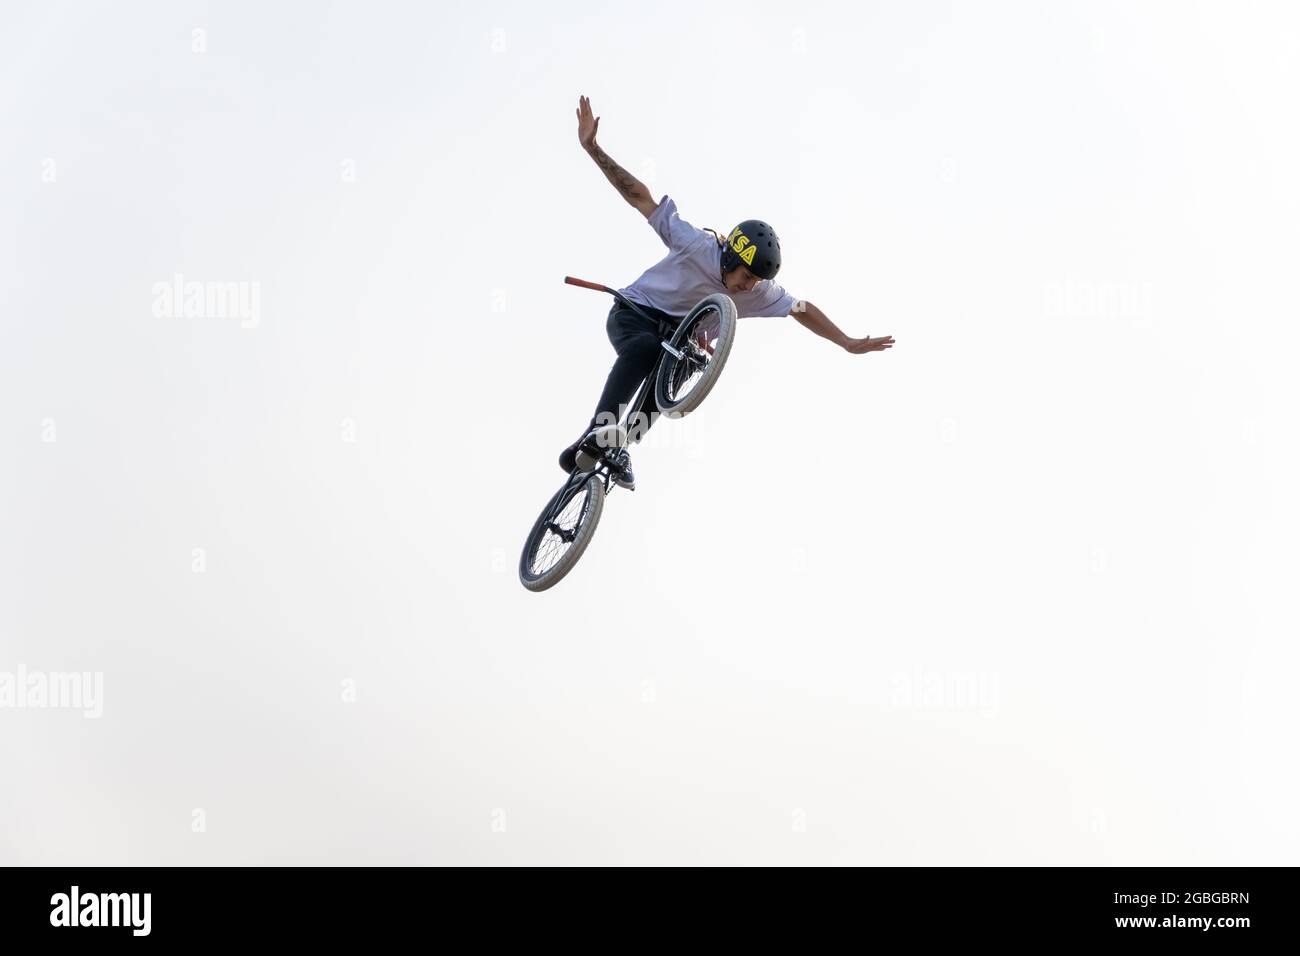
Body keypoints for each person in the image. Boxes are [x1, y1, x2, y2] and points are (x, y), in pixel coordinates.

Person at [560, 95, 895, 490]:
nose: (747, 287)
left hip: (675, 339)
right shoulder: (694, 244)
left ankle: (621, 446)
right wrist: (593, 149)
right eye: (745, 276)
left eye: (755, 281)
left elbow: (800, 308)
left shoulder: (758, 293)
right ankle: (596, 431)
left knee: (683, 365)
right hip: (635, 314)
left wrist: (845, 341)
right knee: (647, 349)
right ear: (730, 255)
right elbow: (640, 197)